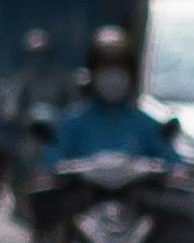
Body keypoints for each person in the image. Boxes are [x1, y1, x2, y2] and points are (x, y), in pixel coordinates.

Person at [52, 27, 179, 165]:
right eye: (105, 68)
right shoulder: (70, 126)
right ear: (92, 73)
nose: (112, 77)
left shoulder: (148, 126)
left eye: (120, 69)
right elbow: (50, 165)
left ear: (131, 74)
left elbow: (174, 167)